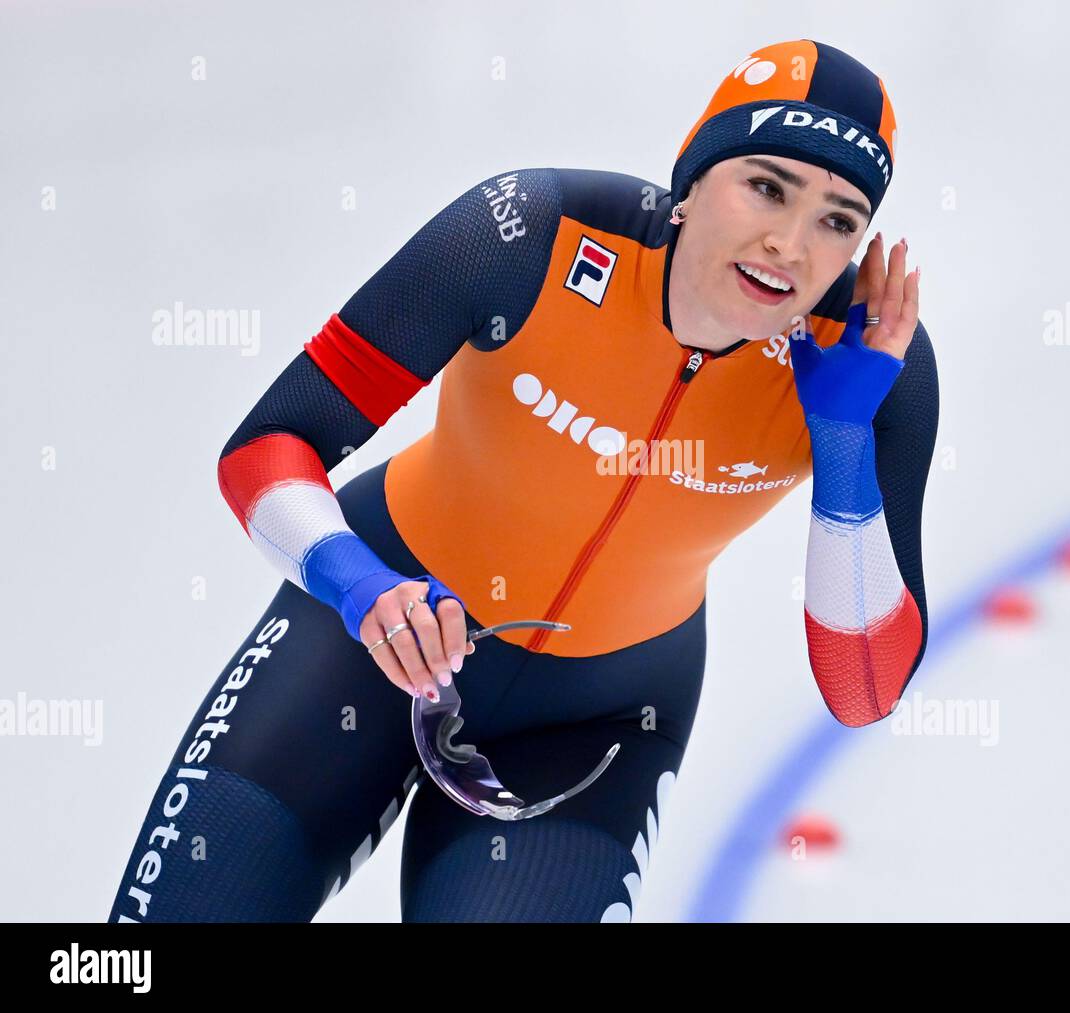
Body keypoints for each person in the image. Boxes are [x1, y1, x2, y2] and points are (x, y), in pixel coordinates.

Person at [107, 38, 938, 923]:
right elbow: (269, 445)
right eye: (767, 187)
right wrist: (361, 588)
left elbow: (865, 687)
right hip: (361, 645)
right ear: (693, 182)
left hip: (594, 726)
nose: (789, 244)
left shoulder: (868, 356)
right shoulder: (529, 235)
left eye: (839, 220)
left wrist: (845, 437)